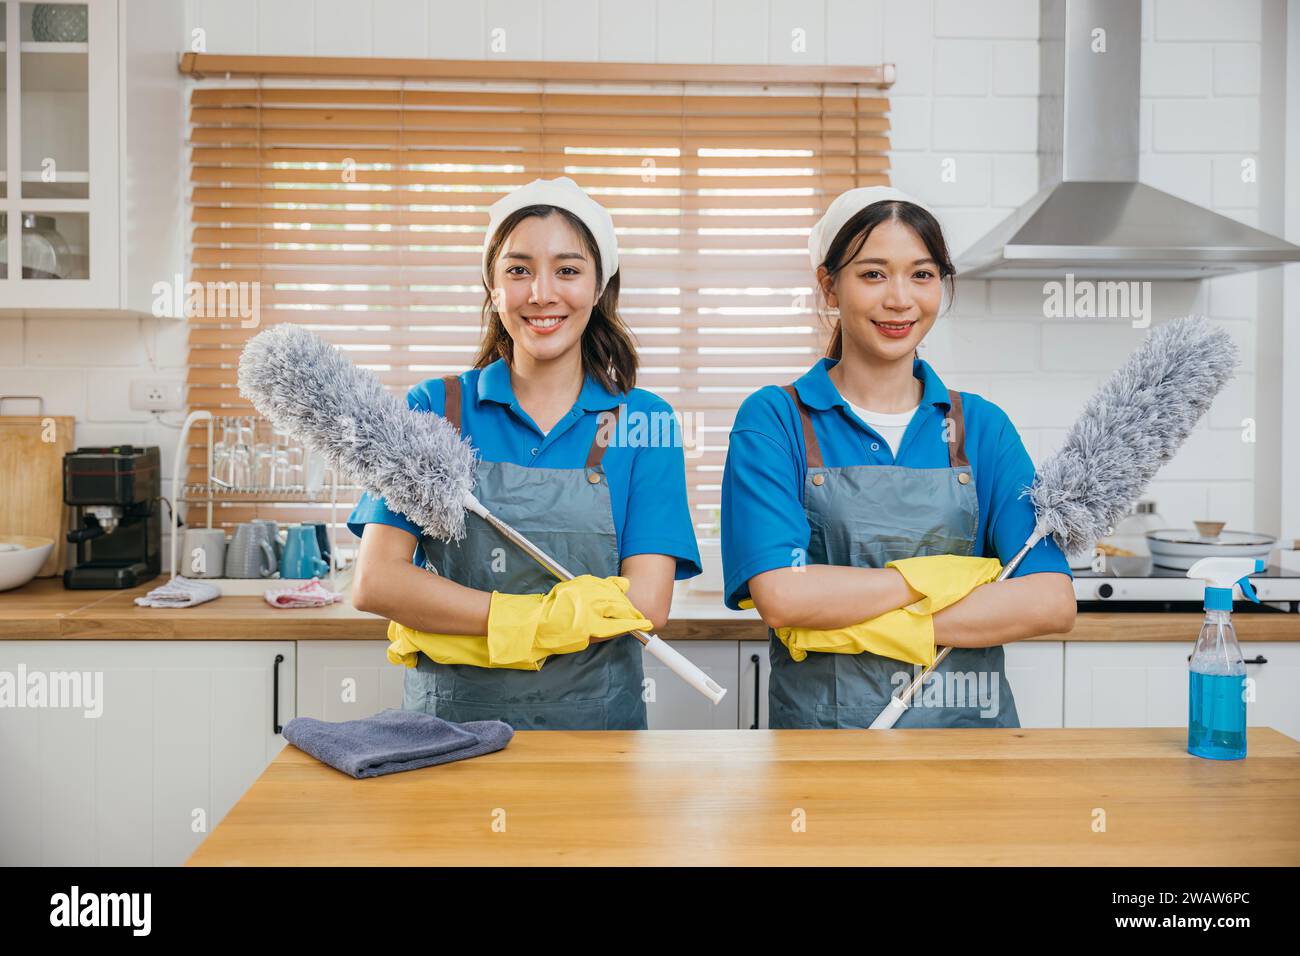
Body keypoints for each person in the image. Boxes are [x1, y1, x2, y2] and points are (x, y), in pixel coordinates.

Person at [349, 177, 701, 729]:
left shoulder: (643, 422)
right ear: (492, 287)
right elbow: (377, 581)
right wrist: (534, 620)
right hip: (449, 733)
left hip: (596, 735)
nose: (541, 293)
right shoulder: (436, 408)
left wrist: (481, 619)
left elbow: (648, 602)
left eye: (567, 270)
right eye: (517, 270)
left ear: (599, 285)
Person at [720, 186, 1076, 729]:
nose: (900, 299)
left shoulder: (981, 427)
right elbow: (783, 596)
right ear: (829, 285)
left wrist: (849, 609)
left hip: (970, 748)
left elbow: (1049, 600)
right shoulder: (776, 419)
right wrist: (940, 579)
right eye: (872, 274)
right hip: (825, 751)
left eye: (922, 274)